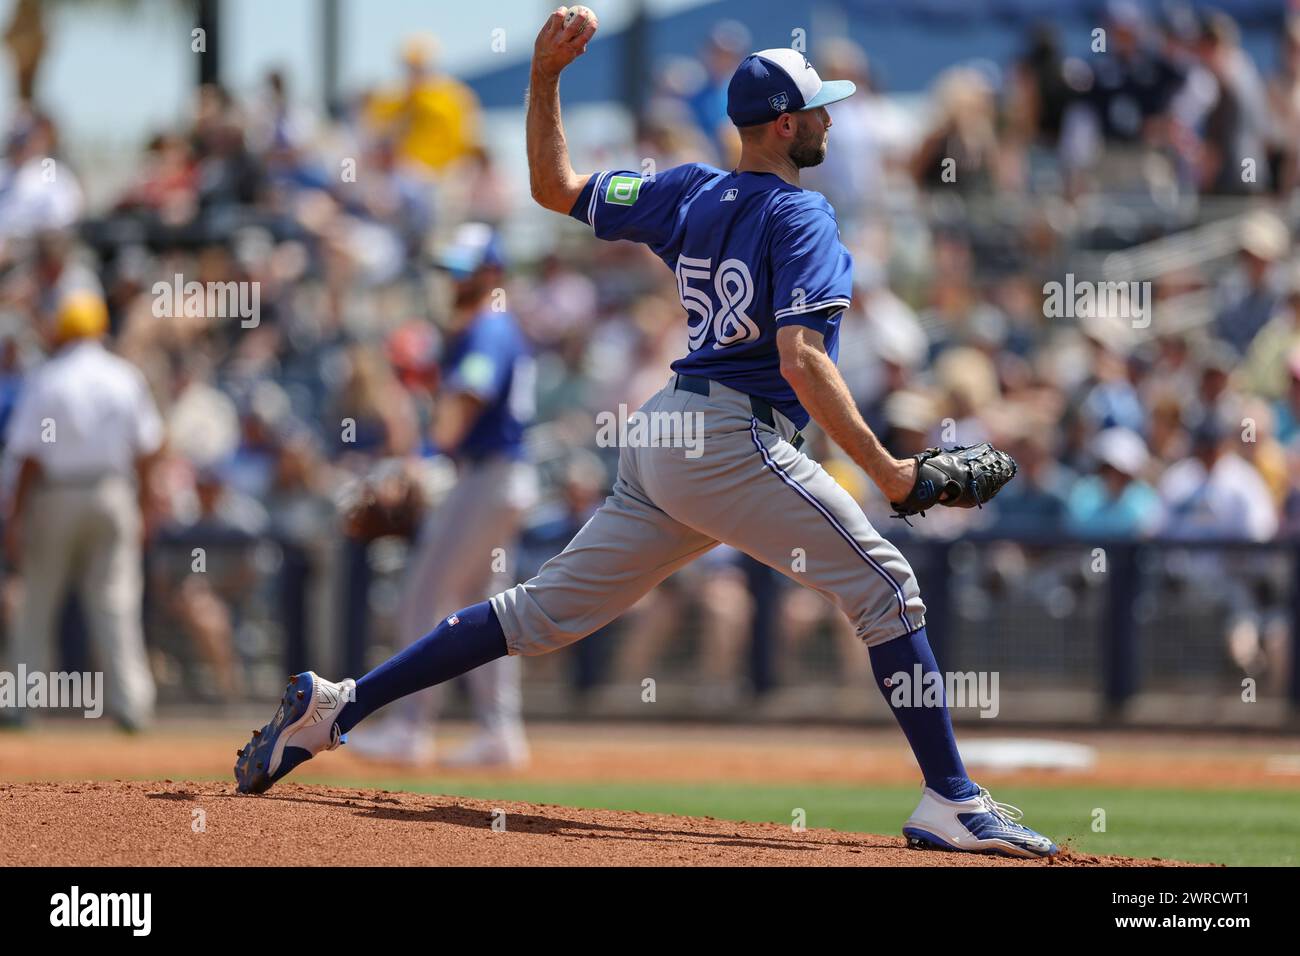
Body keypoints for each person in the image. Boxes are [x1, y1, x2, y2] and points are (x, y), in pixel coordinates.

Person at [235, 7, 1057, 859]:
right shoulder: (802, 218)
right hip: (732, 439)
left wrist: (544, 78)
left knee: (540, 613)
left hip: (666, 433)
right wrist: (894, 475)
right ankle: (952, 800)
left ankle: (337, 708)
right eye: (819, 109)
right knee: (888, 591)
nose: (829, 119)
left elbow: (553, 189)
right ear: (786, 124)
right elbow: (804, 359)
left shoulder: (689, 189)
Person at [348, 223, 536, 768]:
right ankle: (500, 733)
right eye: (451, 271)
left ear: (492, 275)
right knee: (491, 615)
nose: (453, 281)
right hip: (495, 477)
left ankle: (410, 729)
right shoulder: (486, 328)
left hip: (487, 477)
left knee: (424, 596)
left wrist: (421, 463)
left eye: (465, 271)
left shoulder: (488, 329)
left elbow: (460, 413)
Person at [3, 291, 161, 729]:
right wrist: (145, 507)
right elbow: (148, 450)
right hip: (112, 492)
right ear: (99, 328)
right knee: (116, 602)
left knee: (37, 601)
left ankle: (20, 705)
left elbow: (28, 457)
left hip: (56, 495)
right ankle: (131, 706)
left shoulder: (47, 378)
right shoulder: (123, 376)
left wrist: (14, 519)